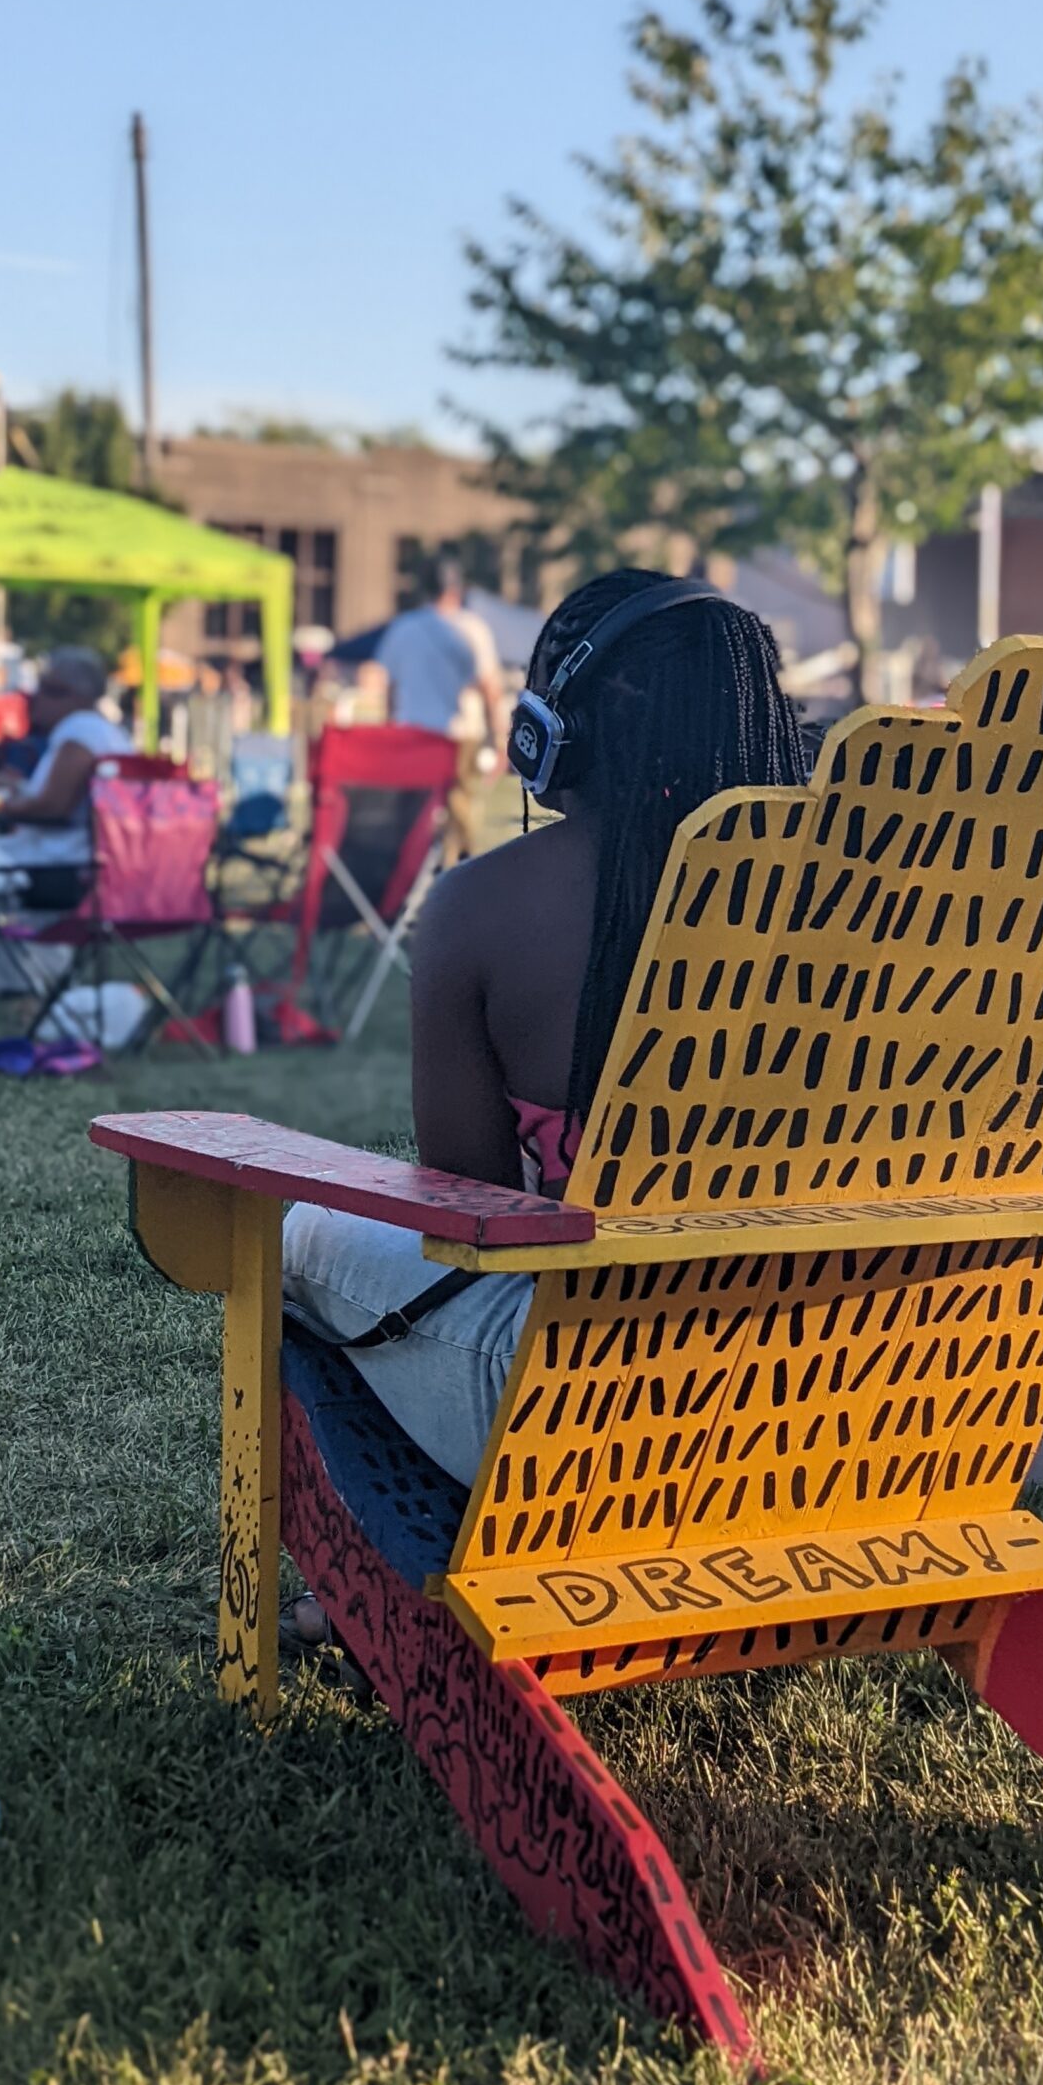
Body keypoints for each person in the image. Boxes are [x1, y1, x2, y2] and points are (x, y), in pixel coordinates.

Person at [282, 571, 808, 1533]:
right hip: (848, 1402)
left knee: (293, 1235)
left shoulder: (482, 908)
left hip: (590, 1421)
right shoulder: (874, 896)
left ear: (546, 733)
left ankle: (394, 1555)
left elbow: (466, 1206)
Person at [0, 645, 133, 894]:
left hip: (59, 863)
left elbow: (53, 809)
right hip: (86, 860)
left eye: (46, 690)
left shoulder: (79, 731)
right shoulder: (108, 731)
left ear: (74, 696)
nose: (34, 699)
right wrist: (17, 787)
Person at [368, 553, 510, 859]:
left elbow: (389, 689)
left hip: (413, 732)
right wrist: (498, 740)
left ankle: (408, 876)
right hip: (460, 734)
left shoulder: (402, 628)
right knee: (461, 813)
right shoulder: (472, 629)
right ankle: (458, 879)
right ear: (457, 589)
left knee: (413, 813)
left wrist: (391, 729)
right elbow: (491, 689)